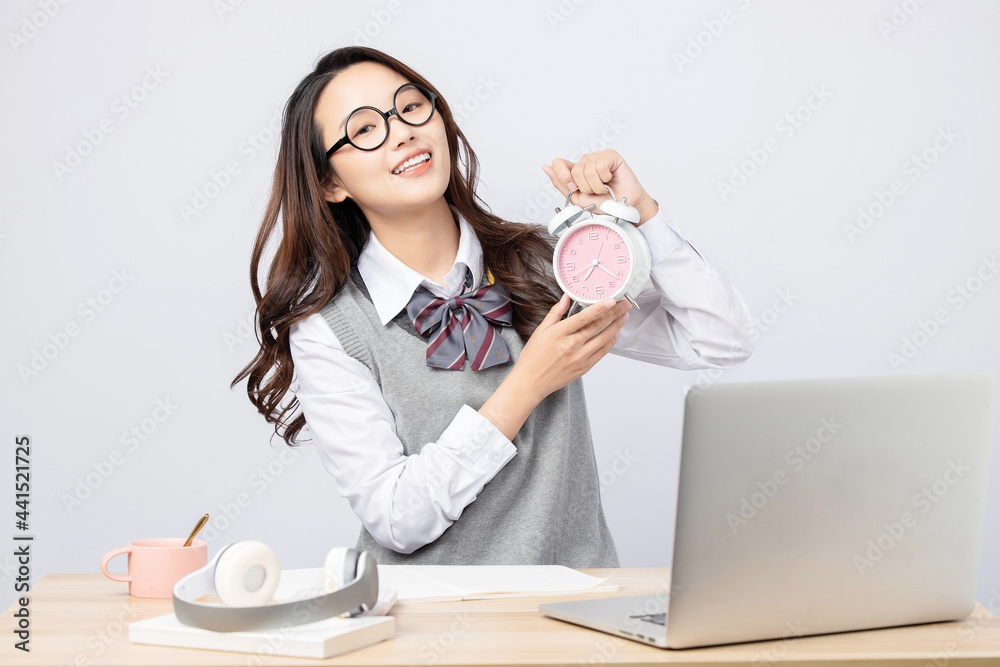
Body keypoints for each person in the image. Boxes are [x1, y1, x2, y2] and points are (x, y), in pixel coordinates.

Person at [233, 46, 755, 568]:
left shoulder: (546, 264)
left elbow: (720, 340)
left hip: (575, 605)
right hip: (429, 615)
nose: (402, 132)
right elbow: (396, 519)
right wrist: (527, 383)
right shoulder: (331, 329)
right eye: (366, 129)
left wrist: (641, 213)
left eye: (410, 107)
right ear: (330, 182)